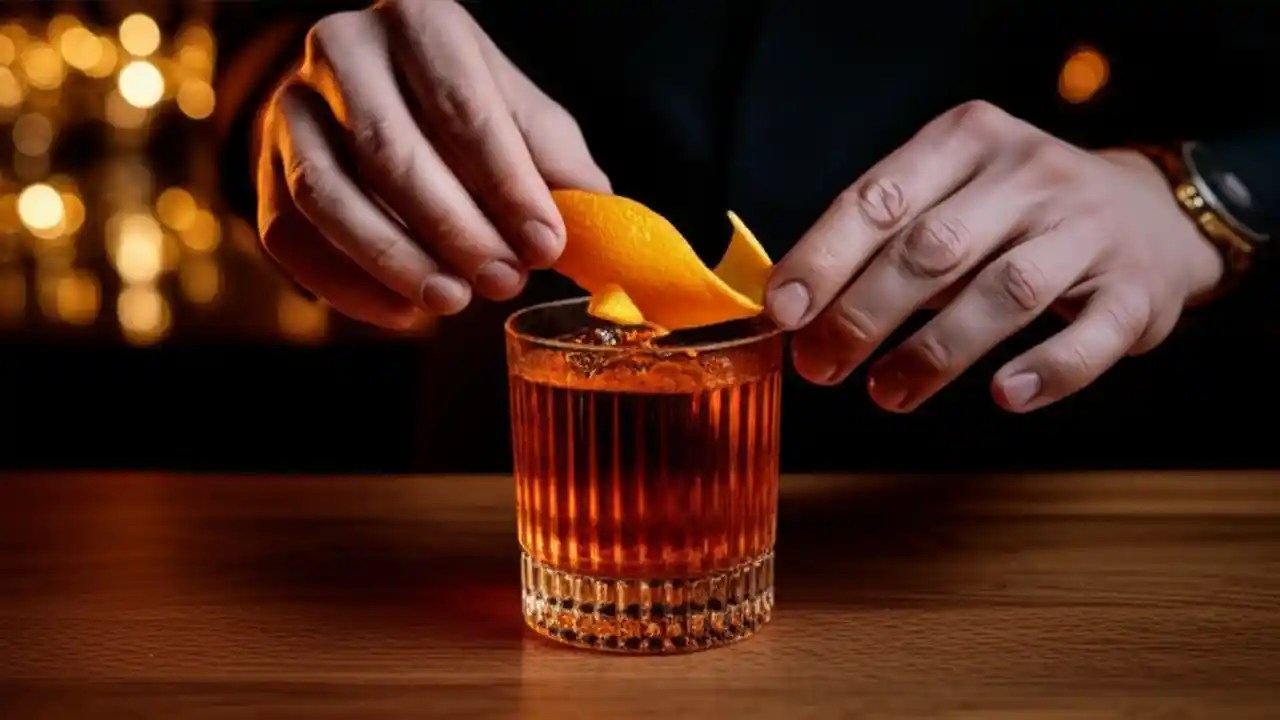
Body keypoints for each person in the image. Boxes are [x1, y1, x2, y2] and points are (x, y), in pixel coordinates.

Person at [214, 1, 1280, 470]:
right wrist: (297, 104)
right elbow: (266, 43)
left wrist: (1203, 192)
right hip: (513, 508)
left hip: (1002, 517)